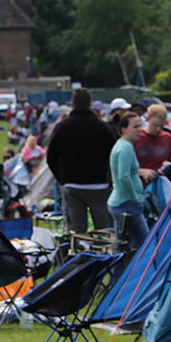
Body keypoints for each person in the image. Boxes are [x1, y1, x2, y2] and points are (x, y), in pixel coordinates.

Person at [46, 87, 118, 235]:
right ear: (90, 105)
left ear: (72, 105)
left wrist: (61, 179)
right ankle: (104, 255)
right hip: (98, 185)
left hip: (72, 184)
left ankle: (79, 255)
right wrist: (109, 179)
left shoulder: (61, 127)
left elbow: (51, 157)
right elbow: (113, 155)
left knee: (77, 230)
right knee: (104, 228)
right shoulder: (102, 127)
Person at [108, 112, 156, 249]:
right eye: (135, 126)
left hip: (120, 203)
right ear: (124, 129)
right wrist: (135, 198)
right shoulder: (125, 147)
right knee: (144, 245)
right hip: (126, 204)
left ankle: (120, 270)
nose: (139, 129)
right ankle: (143, 270)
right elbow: (124, 176)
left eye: (140, 125)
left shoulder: (122, 144)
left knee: (123, 247)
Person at [134, 103, 171, 172]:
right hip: (141, 181)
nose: (158, 129)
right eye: (155, 125)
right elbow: (126, 168)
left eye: (161, 126)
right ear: (148, 119)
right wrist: (142, 172)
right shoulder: (136, 137)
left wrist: (170, 165)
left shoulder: (167, 137)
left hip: (163, 180)